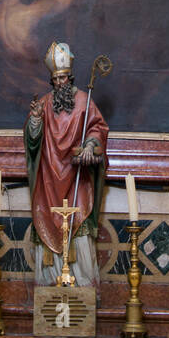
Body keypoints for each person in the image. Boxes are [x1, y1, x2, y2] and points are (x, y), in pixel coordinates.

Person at [24, 40, 108, 288]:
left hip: (76, 178)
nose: (60, 83)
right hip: (49, 177)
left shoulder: (84, 100)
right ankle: (50, 285)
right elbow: (32, 141)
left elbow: (97, 128)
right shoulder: (44, 104)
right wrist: (36, 122)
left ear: (70, 77)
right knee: (48, 223)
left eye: (64, 78)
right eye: (56, 79)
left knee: (78, 228)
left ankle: (81, 284)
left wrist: (91, 146)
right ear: (52, 80)